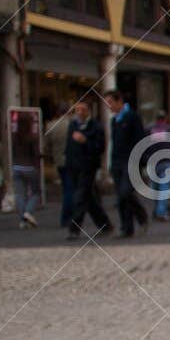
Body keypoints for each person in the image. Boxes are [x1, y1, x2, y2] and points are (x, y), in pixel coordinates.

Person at [61, 98, 111, 240]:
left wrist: (85, 141)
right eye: (77, 110)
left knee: (80, 197)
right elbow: (69, 147)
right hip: (74, 167)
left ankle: (74, 229)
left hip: (88, 167)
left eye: (83, 110)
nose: (80, 113)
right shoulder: (73, 125)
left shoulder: (95, 126)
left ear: (88, 111)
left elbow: (100, 147)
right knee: (89, 198)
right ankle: (105, 224)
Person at [103, 90, 148, 238]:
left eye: (110, 102)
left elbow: (140, 141)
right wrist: (111, 163)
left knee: (125, 192)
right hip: (117, 162)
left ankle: (141, 216)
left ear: (119, 101)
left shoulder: (133, 117)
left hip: (131, 162)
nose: (108, 106)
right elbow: (114, 144)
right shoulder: (114, 120)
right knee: (120, 197)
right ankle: (126, 228)